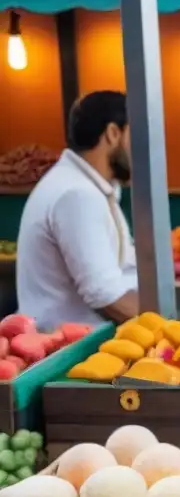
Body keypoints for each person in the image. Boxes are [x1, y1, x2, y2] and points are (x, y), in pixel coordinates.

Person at [16, 91, 138, 329]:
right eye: (135, 135)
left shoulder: (90, 188)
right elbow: (106, 296)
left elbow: (124, 266)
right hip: (71, 350)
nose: (140, 149)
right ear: (113, 134)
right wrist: (170, 325)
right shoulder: (76, 194)